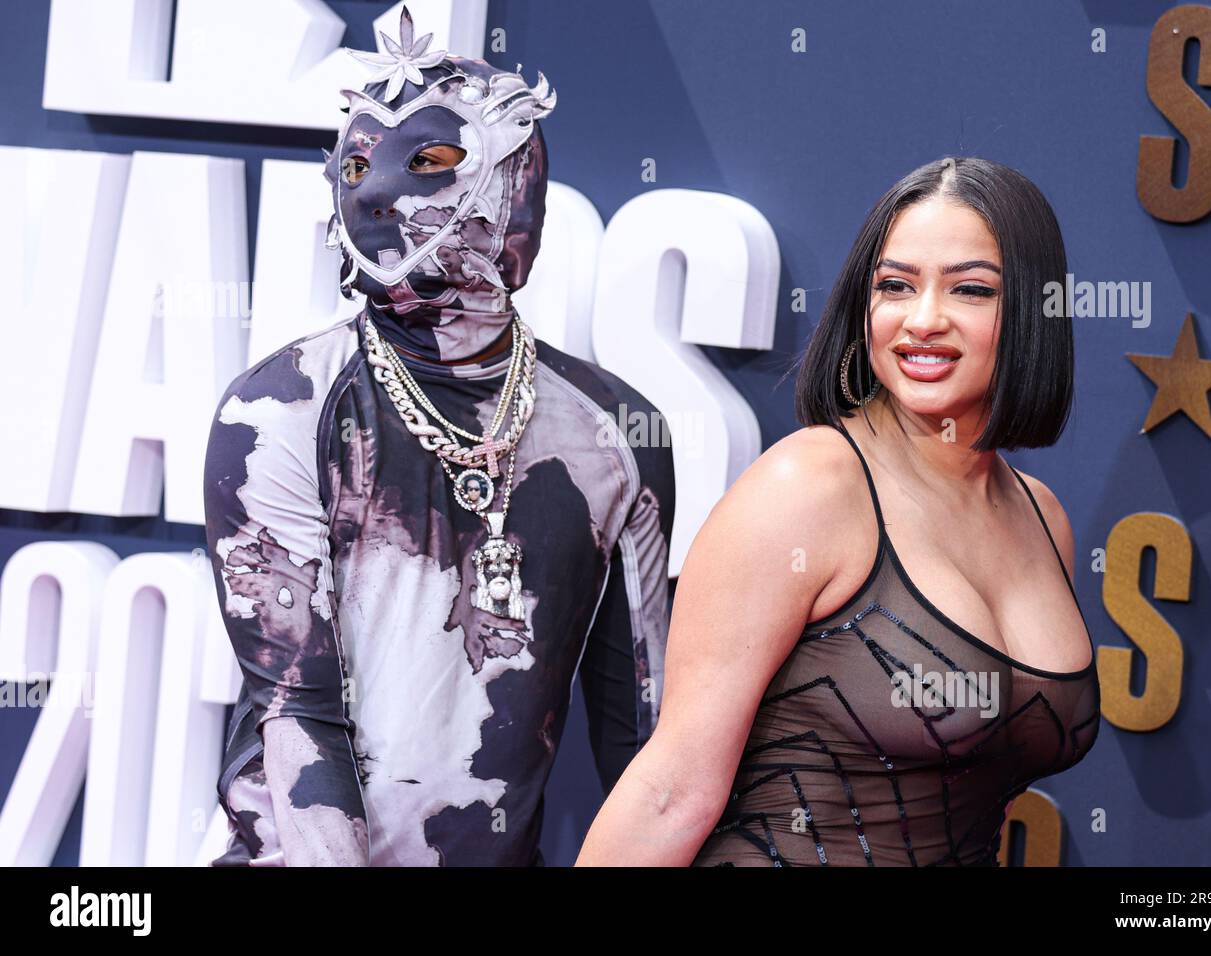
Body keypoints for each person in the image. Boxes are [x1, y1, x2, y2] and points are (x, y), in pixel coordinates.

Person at [203, 7, 674, 866]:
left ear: (517, 179)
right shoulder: (277, 410)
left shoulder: (617, 433)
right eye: (355, 164)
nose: (378, 191)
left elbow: (641, 737)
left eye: (430, 160)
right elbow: (297, 712)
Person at [577, 156, 1100, 867]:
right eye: (895, 286)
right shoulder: (808, 486)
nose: (923, 320)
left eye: (971, 290)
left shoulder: (1043, 517)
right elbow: (670, 791)